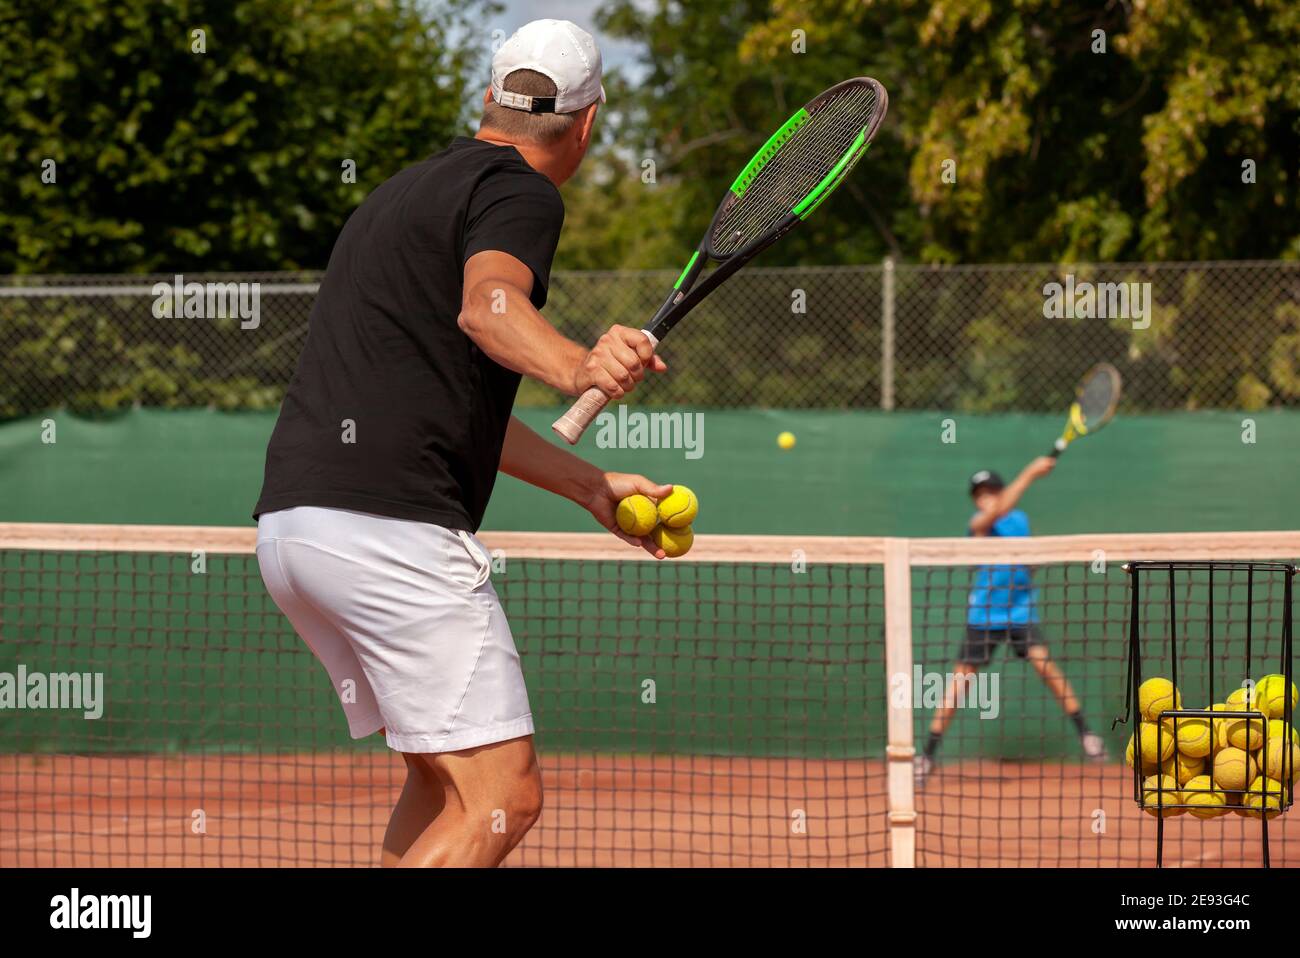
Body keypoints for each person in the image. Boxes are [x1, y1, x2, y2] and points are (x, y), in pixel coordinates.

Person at [253, 19, 669, 866]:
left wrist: (591, 487)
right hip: (389, 532)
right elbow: (491, 308)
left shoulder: (401, 194)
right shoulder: (522, 192)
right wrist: (575, 361)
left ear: (491, 96)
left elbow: (452, 406)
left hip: (298, 530)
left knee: (442, 784)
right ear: (588, 124)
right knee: (504, 797)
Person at [913, 458, 1106, 789]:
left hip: (1020, 612)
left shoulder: (1020, 521)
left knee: (1045, 666)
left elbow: (1028, 560)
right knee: (960, 683)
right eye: (979, 494)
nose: (985, 498)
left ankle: (1087, 735)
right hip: (985, 614)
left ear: (1000, 492)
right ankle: (927, 755)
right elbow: (992, 516)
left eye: (991, 492)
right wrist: (1030, 472)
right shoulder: (979, 524)